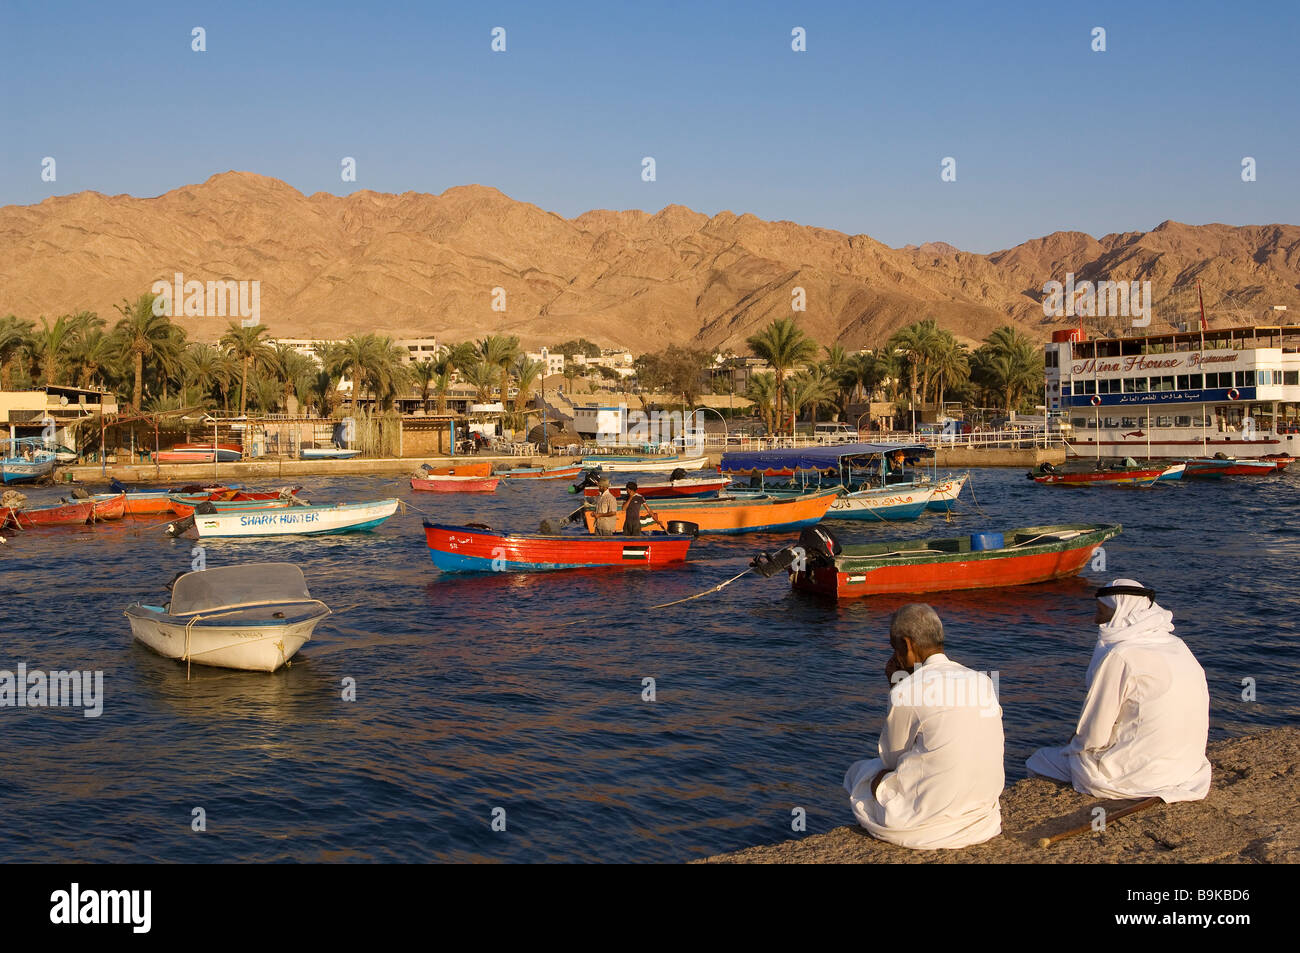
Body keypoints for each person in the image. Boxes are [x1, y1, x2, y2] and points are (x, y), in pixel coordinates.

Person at [1026, 579, 1211, 801]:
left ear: (1120, 612)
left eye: (1102, 612)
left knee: (1039, 760)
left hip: (1141, 777)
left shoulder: (1121, 656)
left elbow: (1095, 735)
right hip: (1186, 767)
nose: (1096, 620)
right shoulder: (1176, 644)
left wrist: (1075, 744)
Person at [843, 604, 1005, 850]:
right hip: (982, 817)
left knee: (861, 774)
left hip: (927, 827)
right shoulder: (982, 681)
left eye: (894, 648)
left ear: (907, 645)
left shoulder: (907, 691)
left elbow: (890, 760)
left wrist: (895, 688)